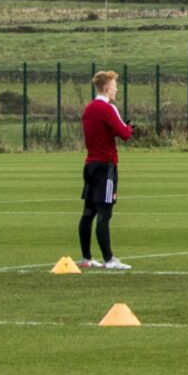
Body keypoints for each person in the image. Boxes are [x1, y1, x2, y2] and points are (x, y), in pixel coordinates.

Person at [78, 70, 134, 270]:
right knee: (104, 213)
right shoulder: (108, 108)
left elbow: (98, 132)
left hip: (90, 165)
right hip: (106, 166)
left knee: (88, 212)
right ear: (107, 88)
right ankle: (108, 259)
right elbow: (124, 133)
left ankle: (86, 258)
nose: (116, 90)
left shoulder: (88, 109)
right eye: (115, 87)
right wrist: (129, 128)